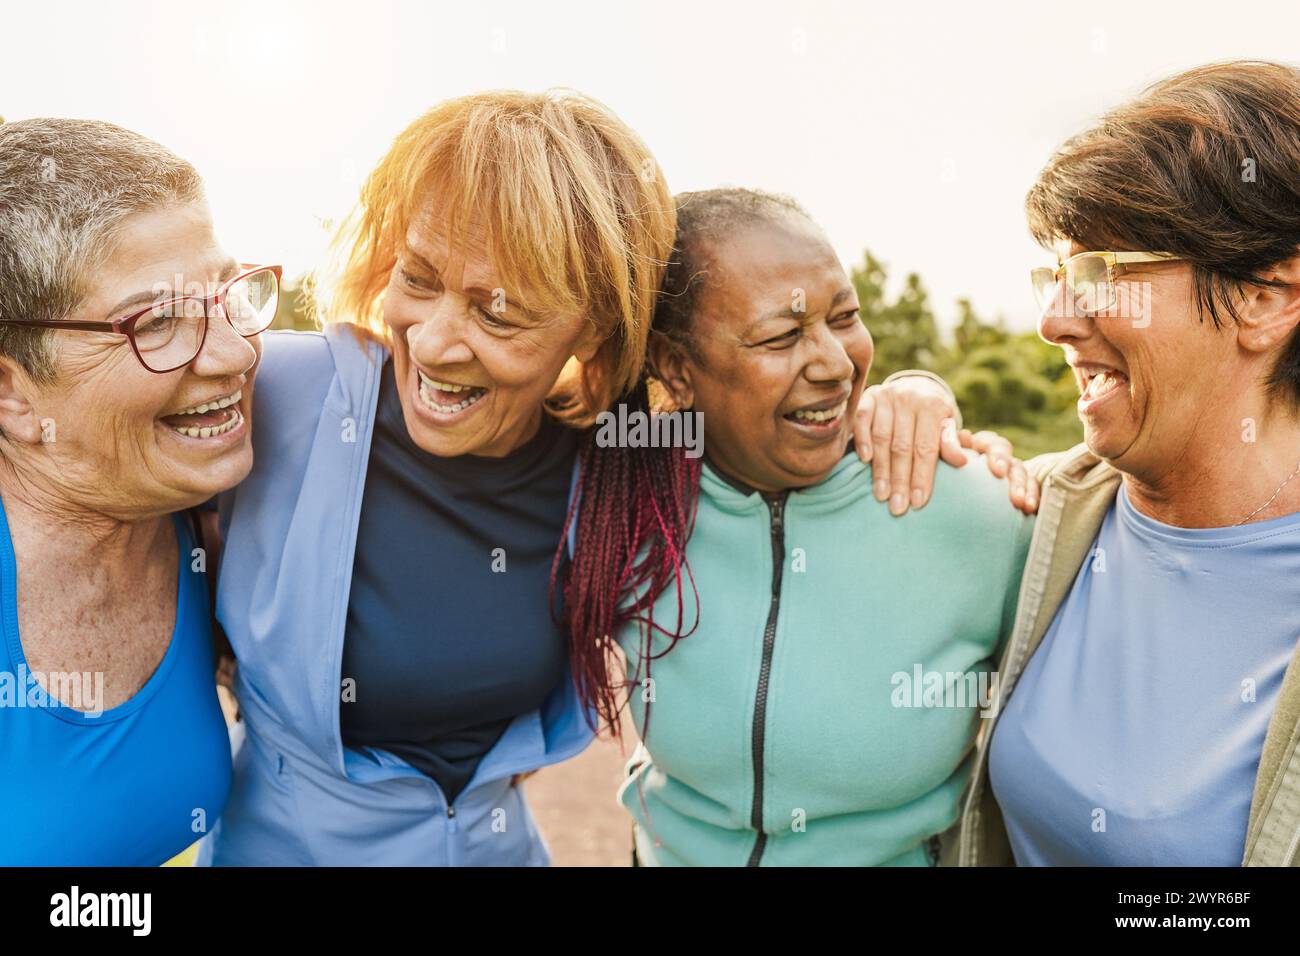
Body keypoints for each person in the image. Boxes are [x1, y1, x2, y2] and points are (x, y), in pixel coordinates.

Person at [556, 187, 1036, 865]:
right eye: (780, 337)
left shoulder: (971, 509)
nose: (836, 365)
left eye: (845, 318)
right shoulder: (623, 499)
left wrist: (923, 385)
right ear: (674, 368)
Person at [959, 60, 1300, 866]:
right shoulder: (1028, 512)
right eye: (1057, 273)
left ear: (1267, 295)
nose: (1053, 321)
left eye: (1102, 272)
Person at [0, 118, 278, 864]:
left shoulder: (210, 534)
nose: (234, 354)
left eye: (226, 295)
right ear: (12, 391)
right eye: (156, 320)